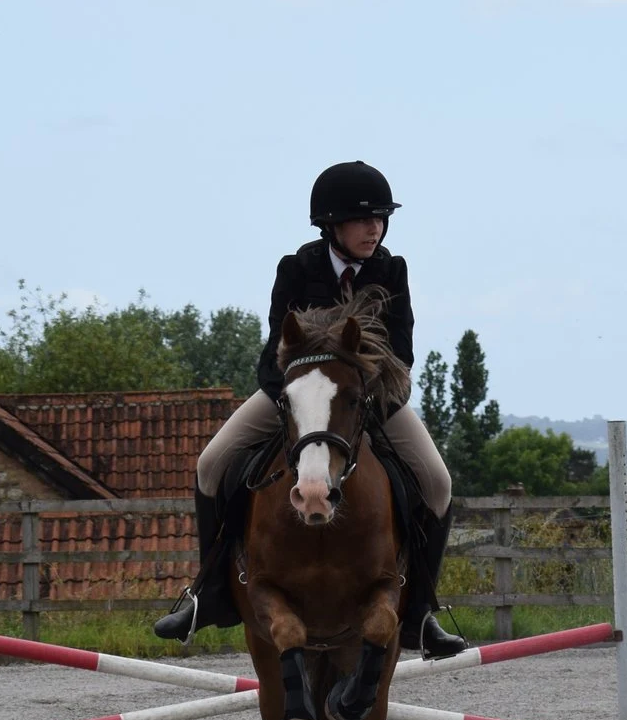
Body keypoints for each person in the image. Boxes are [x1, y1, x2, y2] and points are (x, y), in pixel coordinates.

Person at [153, 160, 466, 656]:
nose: (375, 229)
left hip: (371, 401)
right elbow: (276, 351)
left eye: (381, 218)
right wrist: (297, 397)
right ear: (331, 226)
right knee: (210, 464)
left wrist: (359, 394)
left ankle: (422, 611)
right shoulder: (296, 269)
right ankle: (207, 592)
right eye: (364, 220)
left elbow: (402, 355)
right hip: (295, 398)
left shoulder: (393, 270)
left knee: (438, 482)